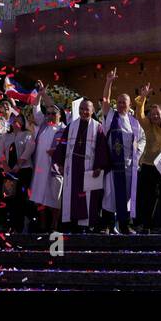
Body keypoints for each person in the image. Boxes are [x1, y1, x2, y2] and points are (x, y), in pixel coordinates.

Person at [52, 98, 111, 230]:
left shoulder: (98, 127)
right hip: (71, 167)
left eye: (87, 110)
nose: (84, 112)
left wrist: (99, 166)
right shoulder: (71, 126)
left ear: (92, 111)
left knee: (88, 198)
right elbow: (62, 144)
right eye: (81, 109)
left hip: (89, 169)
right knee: (72, 195)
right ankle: (71, 223)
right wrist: (60, 163)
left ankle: (87, 225)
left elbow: (102, 148)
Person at [99, 70, 145, 235]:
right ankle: (107, 225)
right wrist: (109, 81)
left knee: (126, 198)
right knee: (110, 196)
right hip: (113, 164)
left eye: (123, 102)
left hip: (129, 166)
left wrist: (137, 155)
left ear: (129, 104)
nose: (120, 105)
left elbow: (142, 140)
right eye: (118, 102)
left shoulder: (134, 122)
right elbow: (105, 100)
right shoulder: (111, 116)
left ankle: (124, 226)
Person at [133, 83, 161, 232]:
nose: (154, 116)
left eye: (157, 113)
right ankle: (146, 225)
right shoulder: (147, 125)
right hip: (148, 165)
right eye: (152, 114)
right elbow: (139, 114)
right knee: (147, 197)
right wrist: (143, 97)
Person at [28, 104, 65, 232]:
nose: (50, 116)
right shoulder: (41, 128)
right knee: (39, 199)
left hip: (55, 170)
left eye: (53, 114)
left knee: (55, 198)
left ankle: (54, 225)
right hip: (40, 169)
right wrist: (39, 95)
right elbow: (36, 109)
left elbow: (68, 148)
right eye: (48, 113)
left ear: (59, 115)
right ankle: (42, 224)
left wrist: (58, 152)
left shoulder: (64, 129)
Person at [2, 112, 36, 233]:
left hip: (24, 170)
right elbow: (1, 152)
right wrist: (5, 166)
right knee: (9, 197)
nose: (16, 120)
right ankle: (11, 225)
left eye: (19, 118)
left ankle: (22, 226)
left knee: (21, 198)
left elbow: (28, 150)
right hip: (9, 171)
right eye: (14, 118)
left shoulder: (28, 135)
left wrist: (18, 165)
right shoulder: (6, 136)